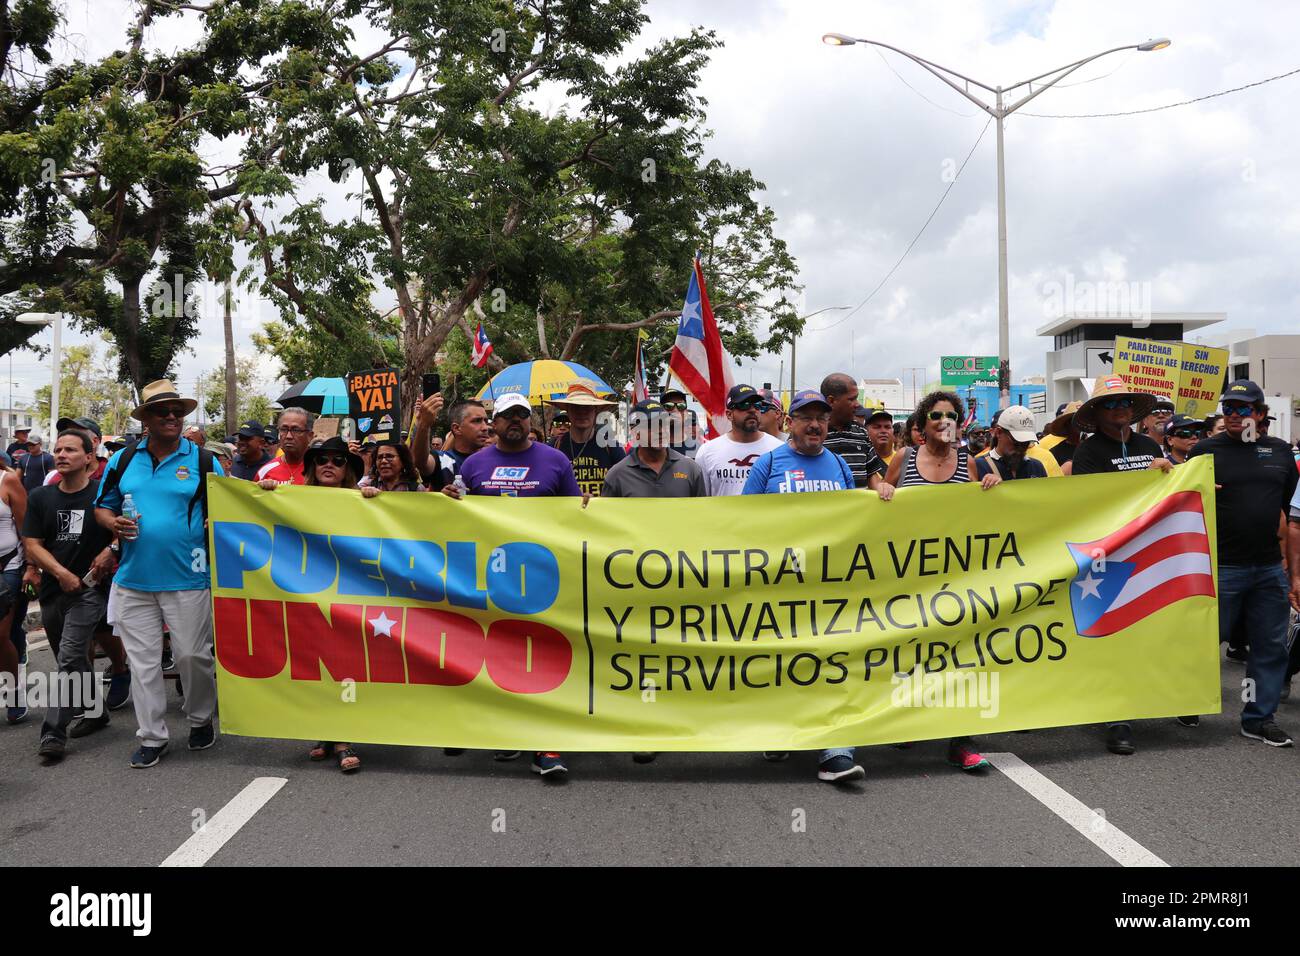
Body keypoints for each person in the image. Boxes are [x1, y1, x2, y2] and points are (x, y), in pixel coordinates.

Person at [743, 389, 893, 784]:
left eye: (821, 418)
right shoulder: (768, 464)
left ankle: (836, 751)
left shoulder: (841, 465)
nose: (815, 424)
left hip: (831, 587)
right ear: (790, 422)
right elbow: (740, 521)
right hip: (782, 586)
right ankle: (783, 731)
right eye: (806, 417)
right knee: (784, 662)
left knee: (835, 661)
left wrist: (880, 492)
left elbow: (856, 518)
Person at [447, 391, 581, 776]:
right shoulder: (473, 465)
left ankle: (547, 745)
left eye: (522, 414)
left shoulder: (556, 461)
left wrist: (586, 505)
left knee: (546, 658)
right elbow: (458, 519)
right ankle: (508, 735)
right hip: (492, 579)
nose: (516, 421)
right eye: (507, 416)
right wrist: (446, 501)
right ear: (496, 422)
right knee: (501, 655)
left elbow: (575, 516)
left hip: (545, 576)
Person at [93, 380, 224, 769]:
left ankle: (200, 718)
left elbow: (232, 508)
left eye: (177, 411)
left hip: (189, 577)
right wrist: (113, 523)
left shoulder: (202, 460)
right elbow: (102, 506)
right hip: (133, 579)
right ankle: (152, 736)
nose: (171, 417)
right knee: (144, 662)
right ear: (146, 419)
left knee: (191, 655)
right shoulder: (122, 460)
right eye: (162, 411)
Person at [885, 390, 998, 772]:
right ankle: (909, 721)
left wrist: (991, 489)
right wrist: (882, 490)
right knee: (910, 648)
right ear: (922, 423)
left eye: (951, 415)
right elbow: (880, 511)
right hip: (909, 574)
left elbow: (985, 515)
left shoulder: (970, 462)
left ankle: (960, 740)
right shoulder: (903, 459)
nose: (943, 420)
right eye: (936, 414)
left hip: (956, 576)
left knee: (960, 652)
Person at [1187, 381, 1298, 746]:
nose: (1235, 415)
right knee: (1204, 641)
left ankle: (1257, 717)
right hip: (1220, 566)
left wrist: (1290, 568)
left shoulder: (1279, 451)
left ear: (1261, 414)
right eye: (1229, 408)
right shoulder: (1203, 451)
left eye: (1244, 408)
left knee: (1268, 647)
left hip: (1267, 568)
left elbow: (1285, 510)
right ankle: (1185, 698)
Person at [1067, 376, 1171, 756]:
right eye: (1111, 404)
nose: (1120, 408)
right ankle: (1117, 719)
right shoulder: (1089, 453)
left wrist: (1167, 471)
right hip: (1109, 557)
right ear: (1097, 413)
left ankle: (1153, 699)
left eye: (1126, 402)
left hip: (1147, 553)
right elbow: (1088, 503)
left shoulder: (1148, 445)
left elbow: (1167, 493)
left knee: (1143, 629)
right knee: (1112, 634)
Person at [259, 435, 367, 771]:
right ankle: (325, 732)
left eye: (337, 460)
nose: (330, 466)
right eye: (323, 461)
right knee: (316, 664)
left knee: (344, 664)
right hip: (306, 595)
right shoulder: (293, 499)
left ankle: (343, 737)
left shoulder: (361, 500)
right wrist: (261, 497)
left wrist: (376, 500)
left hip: (348, 596)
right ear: (313, 467)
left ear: (346, 468)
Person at [24, 430, 117, 761]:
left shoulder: (103, 496)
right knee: (74, 660)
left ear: (89, 458)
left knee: (68, 657)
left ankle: (53, 730)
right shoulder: (40, 497)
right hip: (53, 591)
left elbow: (123, 534)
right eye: (58, 449)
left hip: (90, 592)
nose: (61, 454)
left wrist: (109, 552)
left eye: (71, 450)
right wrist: (59, 573)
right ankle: (96, 712)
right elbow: (32, 543)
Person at [693, 384, 784, 496]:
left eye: (757, 405)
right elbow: (702, 499)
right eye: (744, 405)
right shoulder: (707, 452)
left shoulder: (779, 449)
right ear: (729, 414)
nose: (752, 410)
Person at [548, 380, 624, 495]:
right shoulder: (553, 447)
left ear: (595, 411)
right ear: (568, 411)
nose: (582, 412)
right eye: (576, 407)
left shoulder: (611, 447)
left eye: (587, 408)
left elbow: (624, 485)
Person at [820, 373, 893, 494]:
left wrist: (882, 487)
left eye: (857, 398)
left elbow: (871, 475)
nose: (857, 404)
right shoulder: (814, 433)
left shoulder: (861, 433)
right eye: (851, 399)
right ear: (831, 401)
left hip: (858, 512)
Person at [0, 452, 27, 725]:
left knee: (0, 634)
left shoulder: (7, 481)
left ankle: (14, 691)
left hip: (7, 567)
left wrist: (31, 567)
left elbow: (26, 528)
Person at [976, 406, 1048, 481]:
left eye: (1026, 443)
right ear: (998, 432)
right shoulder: (978, 466)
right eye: (1016, 442)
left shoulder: (1036, 467)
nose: (1021, 448)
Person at [256, 408, 313, 484]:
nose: (288, 436)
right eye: (284, 429)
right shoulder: (265, 472)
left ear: (310, 436)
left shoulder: (320, 471)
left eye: (296, 430)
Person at [1041, 401, 1083, 473]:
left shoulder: (1090, 448)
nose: (1078, 424)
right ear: (1066, 424)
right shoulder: (1055, 452)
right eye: (1074, 420)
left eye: (1081, 420)